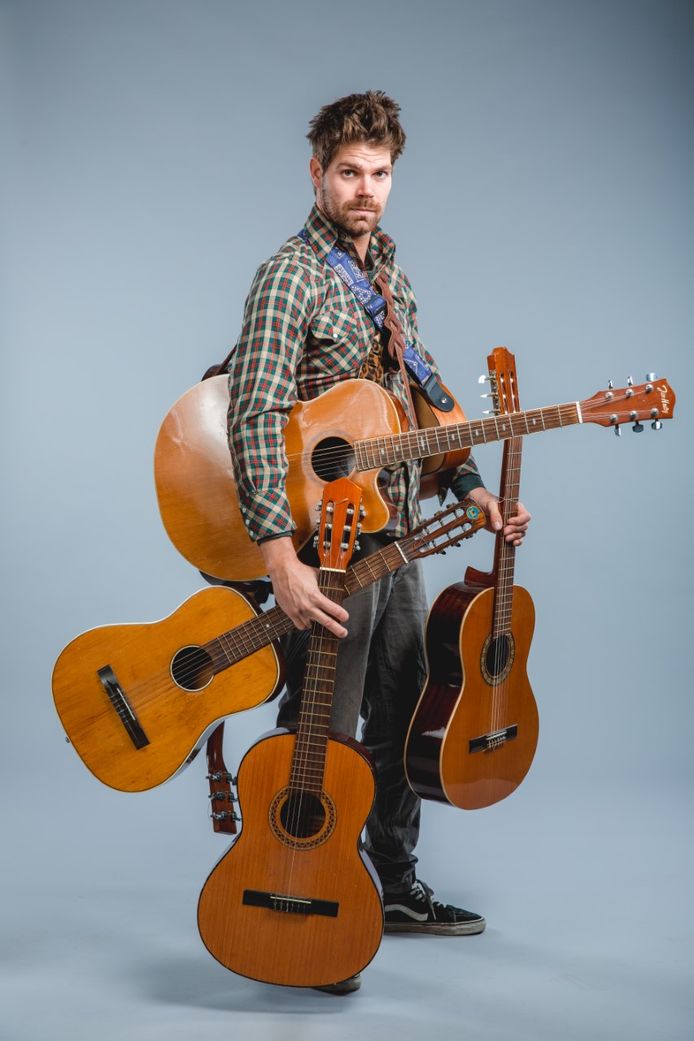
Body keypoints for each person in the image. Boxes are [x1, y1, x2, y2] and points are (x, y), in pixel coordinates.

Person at [226, 91, 531, 993]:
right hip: (320, 544)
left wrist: (471, 487)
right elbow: (252, 415)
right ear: (316, 174)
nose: (366, 190)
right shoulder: (289, 276)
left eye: (380, 173)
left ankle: (392, 885)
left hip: (394, 532)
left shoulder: (389, 272)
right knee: (325, 718)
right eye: (350, 172)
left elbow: (423, 403)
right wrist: (277, 556)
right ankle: (302, 881)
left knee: (409, 705)